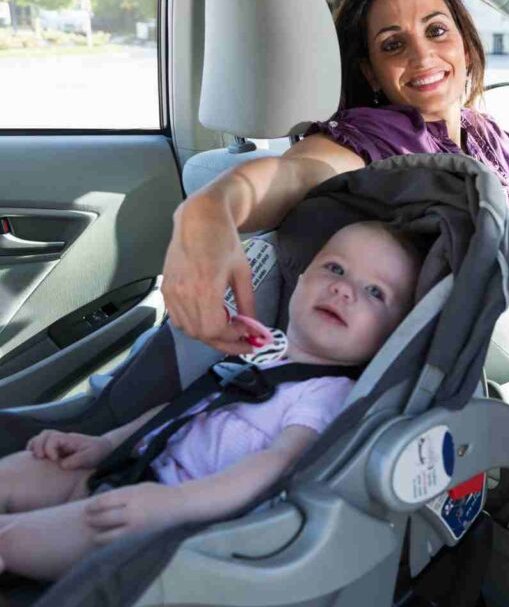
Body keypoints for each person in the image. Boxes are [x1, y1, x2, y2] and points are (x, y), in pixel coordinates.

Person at [162, 0, 509, 355]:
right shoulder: (373, 137)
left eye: (436, 31)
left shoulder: (479, 131)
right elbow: (297, 172)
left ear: (466, 47)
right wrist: (210, 210)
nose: (422, 55)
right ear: (371, 72)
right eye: (393, 44)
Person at [0, 221, 421, 581]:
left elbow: (277, 464)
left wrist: (171, 505)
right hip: (129, 466)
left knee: (11, 539)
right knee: (21, 472)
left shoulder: (329, 393)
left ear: (391, 336)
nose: (343, 289)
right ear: (301, 277)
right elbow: (184, 408)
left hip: (167, 523)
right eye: (334, 268)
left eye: (375, 293)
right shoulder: (265, 351)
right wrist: (106, 444)